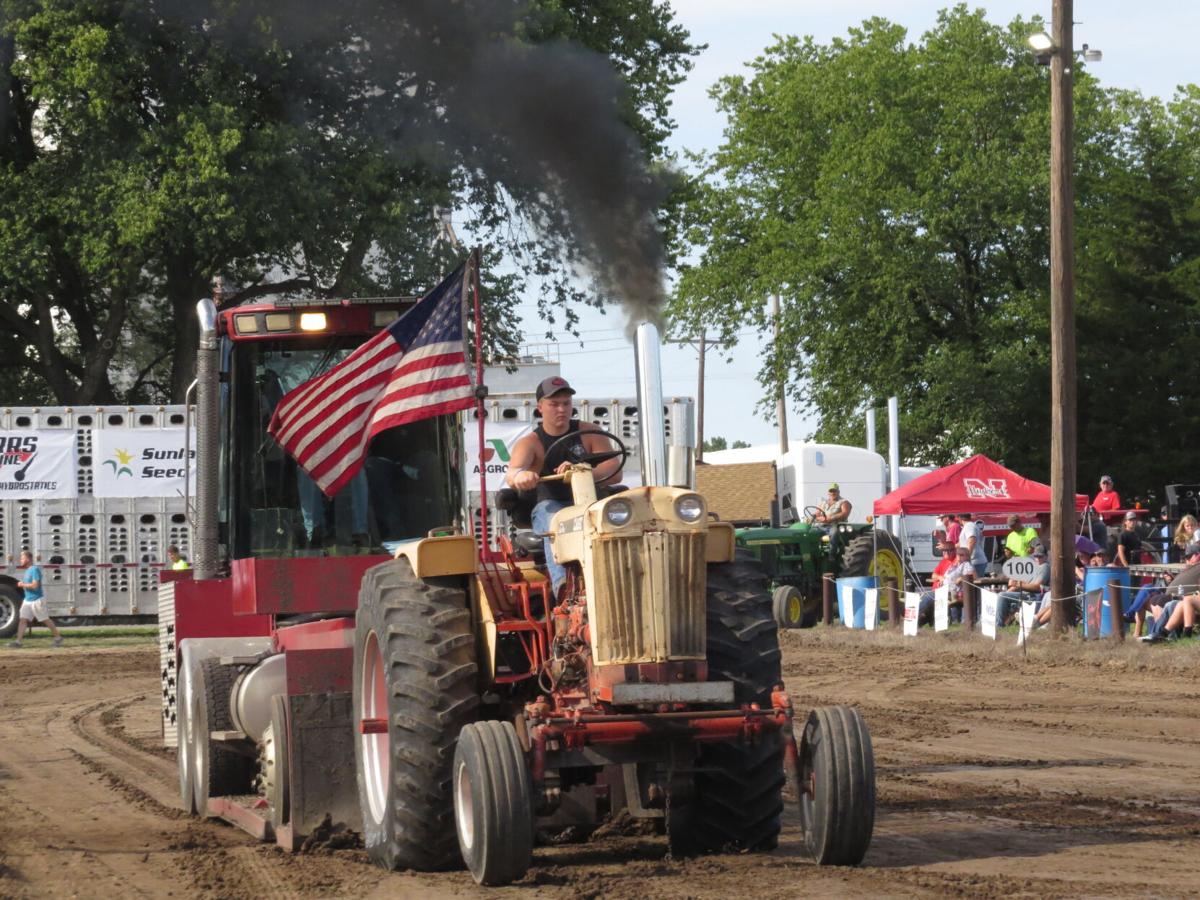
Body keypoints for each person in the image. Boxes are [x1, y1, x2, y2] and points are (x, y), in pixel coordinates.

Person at [505, 377, 624, 598]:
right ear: (540, 407)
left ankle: (622, 581)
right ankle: (564, 589)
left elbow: (614, 470)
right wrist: (522, 475)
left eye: (566, 403)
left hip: (591, 504)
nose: (561, 409)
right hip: (552, 505)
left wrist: (582, 470)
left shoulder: (590, 433)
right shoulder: (531, 443)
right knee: (554, 520)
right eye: (554, 404)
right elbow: (512, 473)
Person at [8, 549, 63, 649]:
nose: (20, 560)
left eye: (22, 558)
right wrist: (23, 584)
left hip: (36, 600)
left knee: (45, 619)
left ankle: (58, 637)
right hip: (28, 600)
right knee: (23, 620)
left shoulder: (34, 570)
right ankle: (18, 642)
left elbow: (35, 586)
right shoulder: (28, 571)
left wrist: (22, 585)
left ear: (28, 559)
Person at [996, 540, 1050, 629]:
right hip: (1026, 595)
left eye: (1040, 556)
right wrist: (1013, 586)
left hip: (1033, 597)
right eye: (1036, 556)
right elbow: (1026, 583)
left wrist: (1017, 584)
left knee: (1002, 596)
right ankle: (997, 623)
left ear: (1046, 557)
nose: (1037, 558)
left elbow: (1037, 587)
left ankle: (998, 626)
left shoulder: (1045, 567)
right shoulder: (1036, 567)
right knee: (1000, 594)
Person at [958, 512, 988, 577]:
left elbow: (972, 540)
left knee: (972, 585)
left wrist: (967, 558)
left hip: (974, 562)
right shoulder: (969, 526)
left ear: (959, 518)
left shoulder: (969, 526)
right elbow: (964, 543)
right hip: (973, 561)